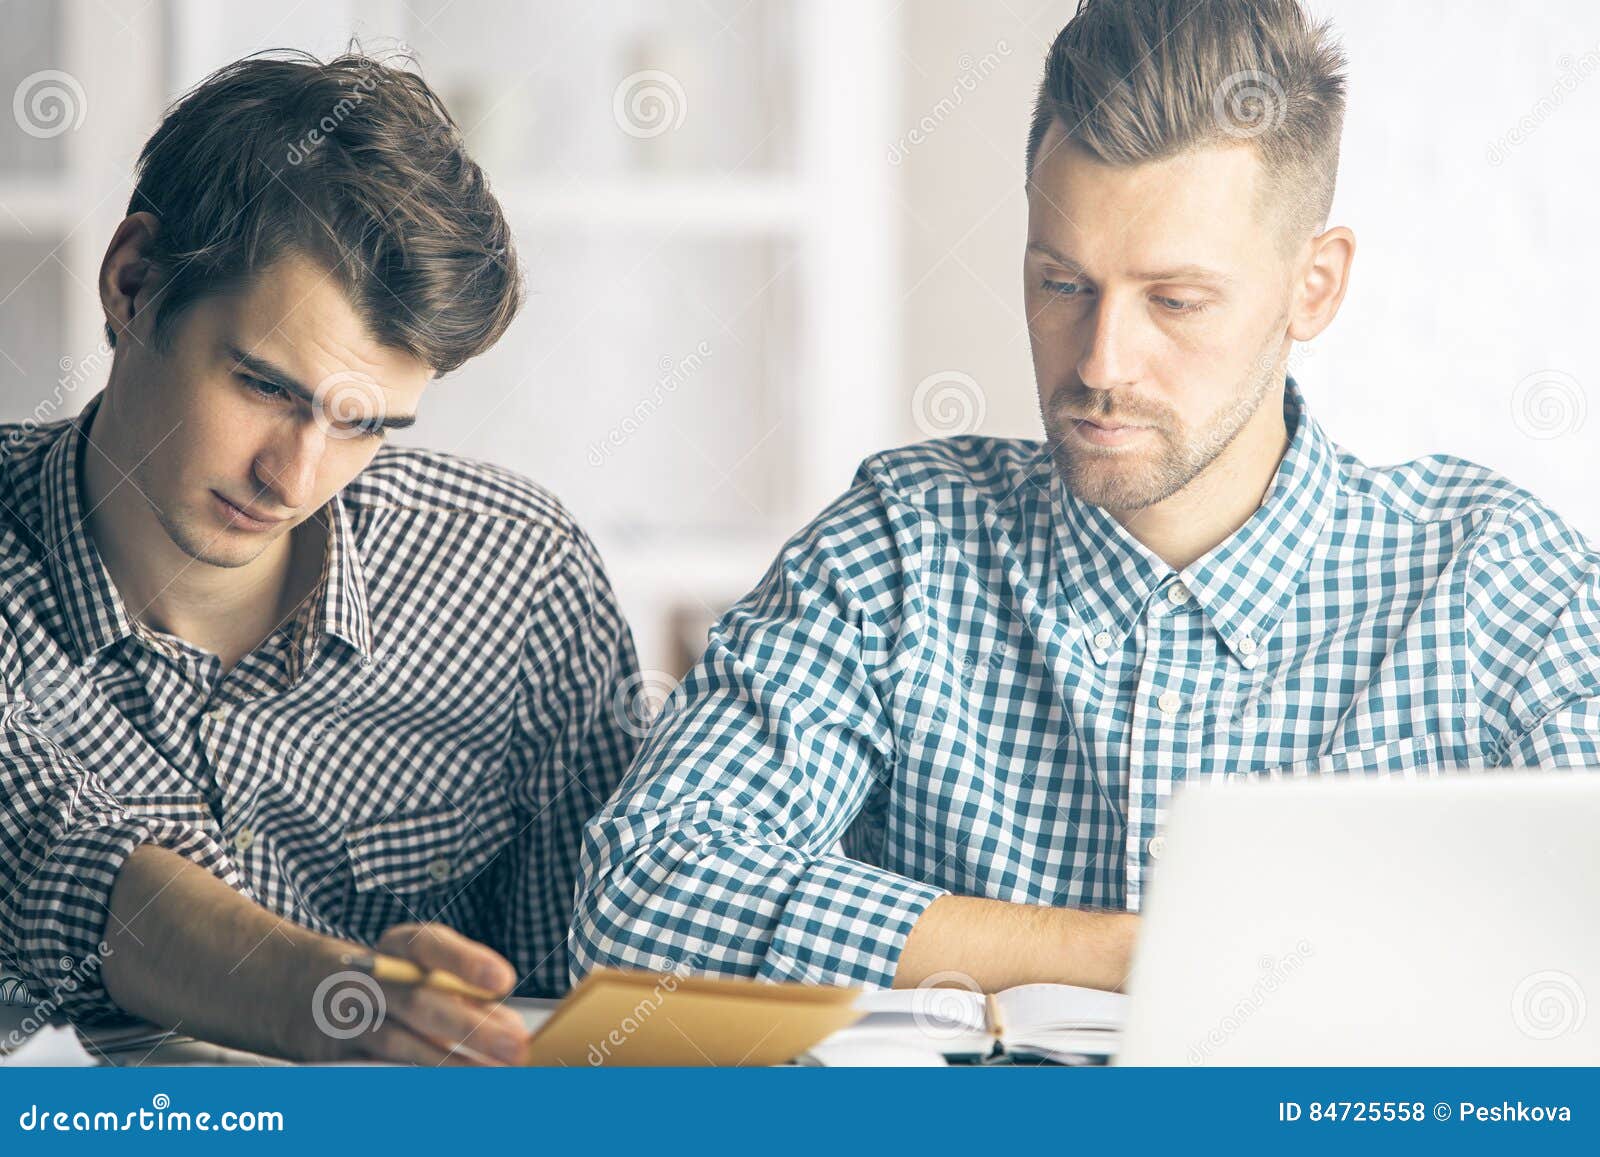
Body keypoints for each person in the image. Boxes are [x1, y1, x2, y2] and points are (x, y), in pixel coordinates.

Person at [572, 0, 1599, 996]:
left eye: (1175, 301)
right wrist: (1150, 956)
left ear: (1313, 285)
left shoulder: (1497, 584)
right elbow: (646, 887)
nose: (1102, 362)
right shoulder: (905, 545)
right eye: (1063, 285)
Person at [0, 52, 638, 1064]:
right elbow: (48, 855)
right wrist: (330, 998)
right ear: (133, 283)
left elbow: (607, 989)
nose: (294, 477)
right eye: (264, 386)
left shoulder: (518, 576)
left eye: (364, 425)